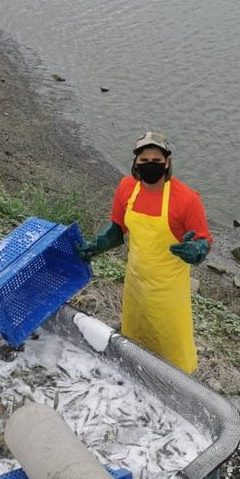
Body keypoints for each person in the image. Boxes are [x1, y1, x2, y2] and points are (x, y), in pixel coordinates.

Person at [78, 131, 211, 372]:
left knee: (172, 352)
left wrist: (197, 250)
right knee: (134, 338)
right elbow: (118, 228)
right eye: (144, 161)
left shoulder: (187, 200)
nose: (150, 166)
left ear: (167, 162)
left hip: (168, 296)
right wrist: (96, 245)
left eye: (156, 162)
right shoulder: (127, 188)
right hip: (135, 286)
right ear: (136, 162)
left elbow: (203, 240)